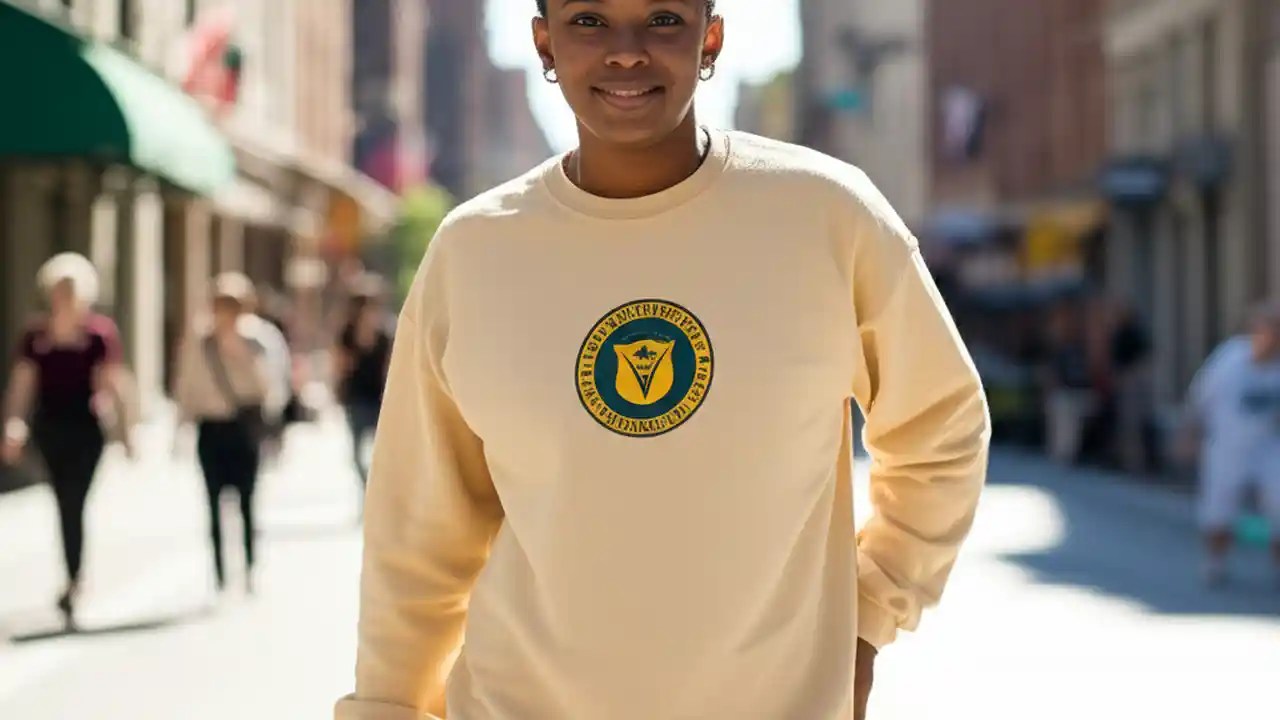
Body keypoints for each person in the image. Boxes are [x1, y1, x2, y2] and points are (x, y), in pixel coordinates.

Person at [335, 2, 990, 719]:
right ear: (543, 43)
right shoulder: (474, 254)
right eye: (588, 20)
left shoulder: (826, 217)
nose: (626, 52)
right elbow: (418, 535)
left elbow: (942, 427)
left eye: (663, 19)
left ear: (710, 39)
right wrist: (386, 707)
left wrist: (868, 617)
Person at [2, 253, 129, 626]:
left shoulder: (99, 334)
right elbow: (22, 385)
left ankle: (74, 576)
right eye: (59, 290)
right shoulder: (36, 337)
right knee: (65, 501)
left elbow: (111, 384)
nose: (64, 297)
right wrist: (13, 424)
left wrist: (124, 429)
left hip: (86, 427)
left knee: (76, 499)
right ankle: (74, 578)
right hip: (50, 426)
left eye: (71, 290)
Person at [174, 273, 273, 595]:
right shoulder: (200, 342)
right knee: (213, 501)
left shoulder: (256, 339)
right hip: (211, 428)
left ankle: (248, 568)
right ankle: (219, 573)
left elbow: (268, 388)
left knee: (246, 500)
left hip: (243, 428)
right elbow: (186, 385)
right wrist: (181, 424)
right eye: (220, 305)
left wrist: (241, 354)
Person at [1181, 302, 1280, 587]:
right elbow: (1200, 396)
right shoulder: (1229, 360)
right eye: (1266, 330)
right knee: (1220, 508)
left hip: (1269, 448)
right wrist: (1189, 432)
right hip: (1228, 446)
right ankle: (1215, 561)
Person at [333, 275, 392, 493]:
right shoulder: (346, 334)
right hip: (355, 398)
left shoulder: (385, 334)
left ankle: (379, 493)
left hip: (379, 399)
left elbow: (389, 368)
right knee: (357, 453)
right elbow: (339, 364)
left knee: (382, 453)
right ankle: (367, 491)